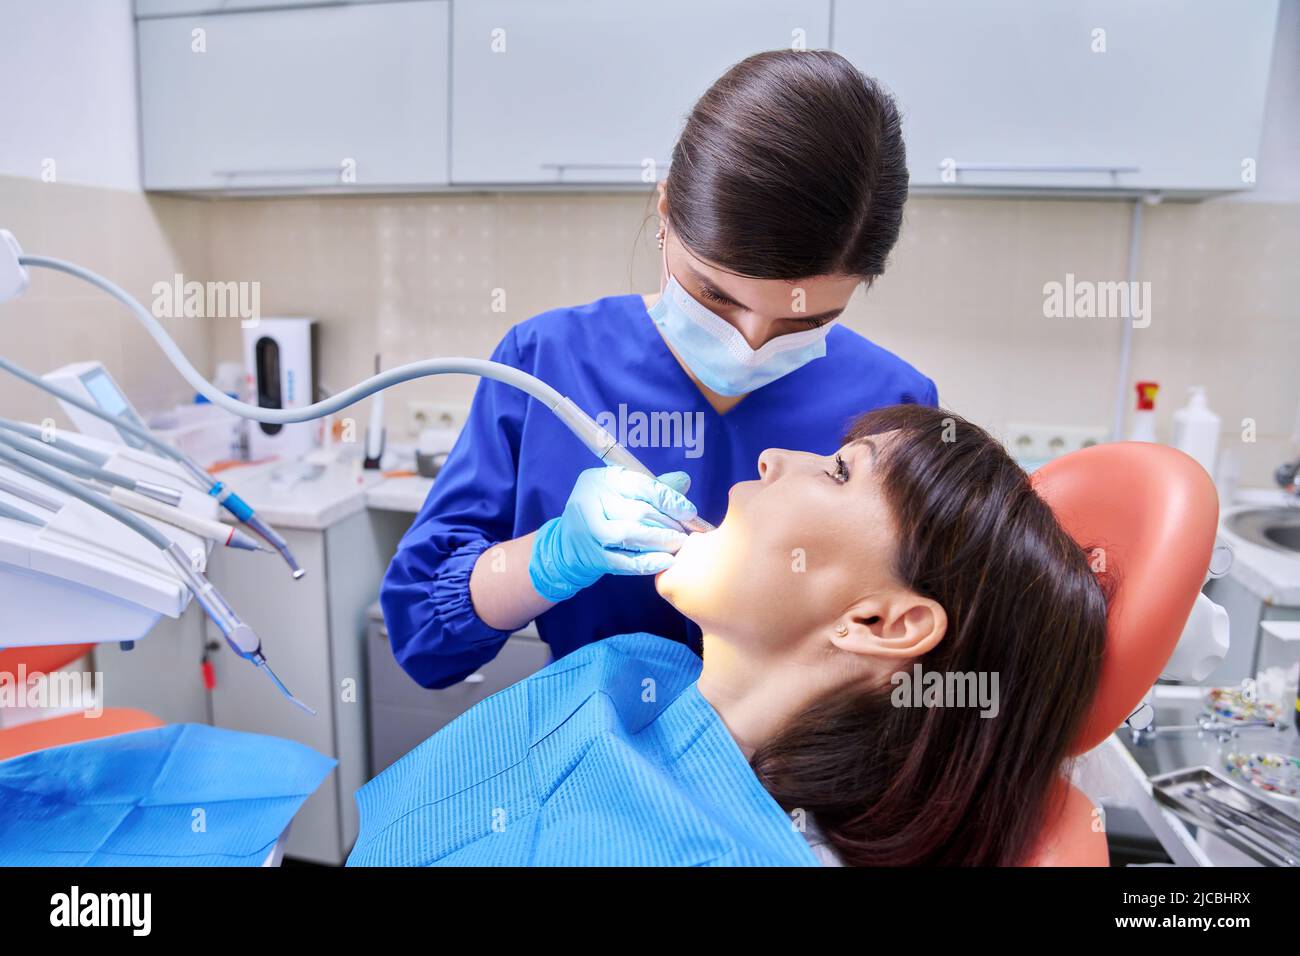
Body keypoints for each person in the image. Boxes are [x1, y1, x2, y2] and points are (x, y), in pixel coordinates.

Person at [383, 49, 937, 688]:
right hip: (595, 766)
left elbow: (910, 650)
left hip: (797, 785)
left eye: (803, 321)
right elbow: (423, 634)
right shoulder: (546, 361)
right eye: (715, 296)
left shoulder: (893, 405)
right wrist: (550, 557)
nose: (748, 343)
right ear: (666, 211)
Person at [349, 406, 1110, 867]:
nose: (774, 457)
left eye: (840, 472)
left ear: (881, 622)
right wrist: (542, 558)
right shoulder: (631, 668)